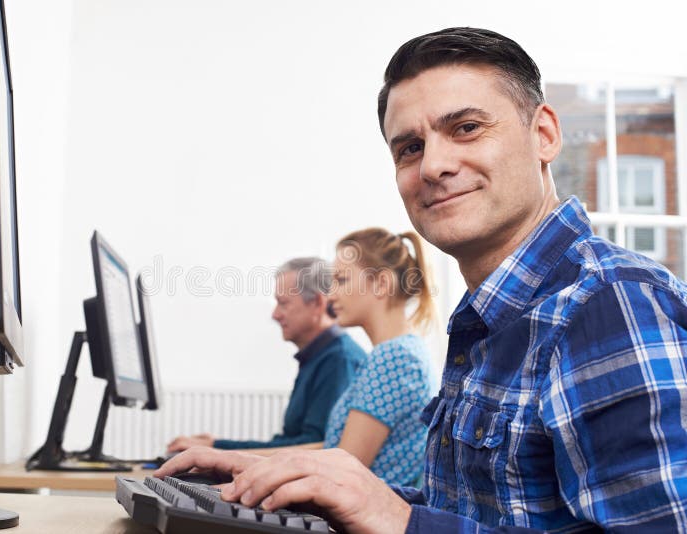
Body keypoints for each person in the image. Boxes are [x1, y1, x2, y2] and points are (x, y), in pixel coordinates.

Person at [155, 27, 687, 533]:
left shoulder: (610, 301)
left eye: (466, 128)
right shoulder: (486, 322)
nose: (433, 165)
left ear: (544, 134)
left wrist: (400, 521)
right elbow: (460, 512)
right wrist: (337, 488)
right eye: (409, 147)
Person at [166, 257, 367, 452]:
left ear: (316, 303)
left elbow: (313, 447)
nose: (275, 314)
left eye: (283, 303)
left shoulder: (339, 361)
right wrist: (216, 445)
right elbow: (292, 442)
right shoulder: (320, 356)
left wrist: (217, 449)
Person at [321, 227, 434, 485]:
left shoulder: (393, 358)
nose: (330, 295)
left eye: (341, 280)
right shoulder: (403, 351)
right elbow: (333, 449)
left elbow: (342, 470)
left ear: (382, 283)